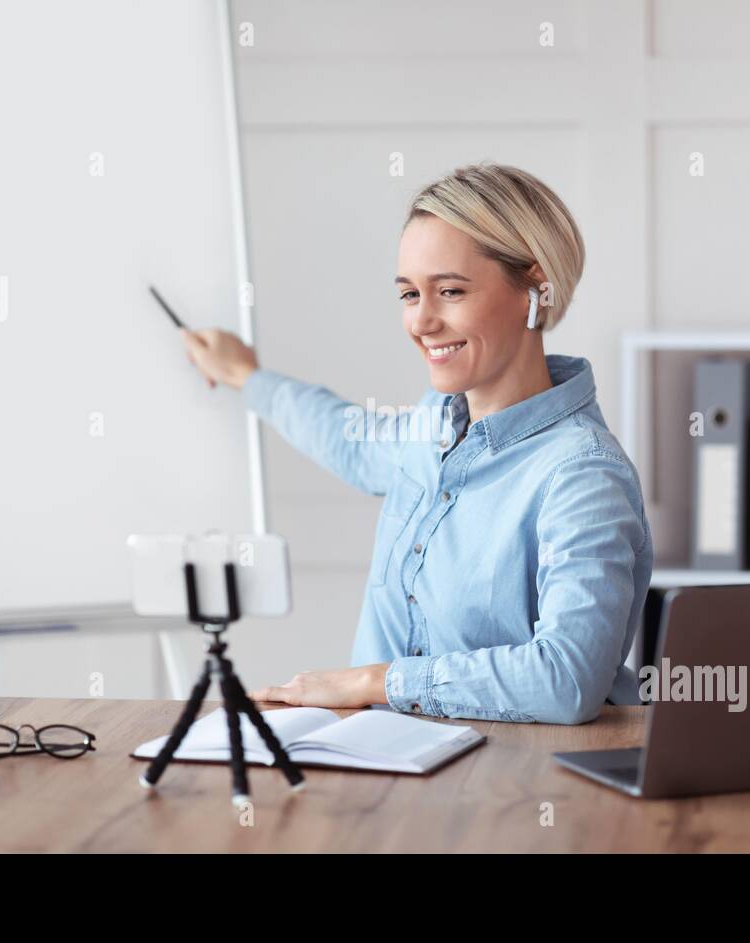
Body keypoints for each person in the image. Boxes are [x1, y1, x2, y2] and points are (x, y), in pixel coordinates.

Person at [182, 163, 651, 724]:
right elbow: (351, 443)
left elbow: (567, 679)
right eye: (409, 294)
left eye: (450, 291)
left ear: (535, 286)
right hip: (385, 758)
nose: (421, 322)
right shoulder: (435, 423)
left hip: (514, 773)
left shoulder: (581, 472)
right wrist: (246, 376)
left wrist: (373, 682)